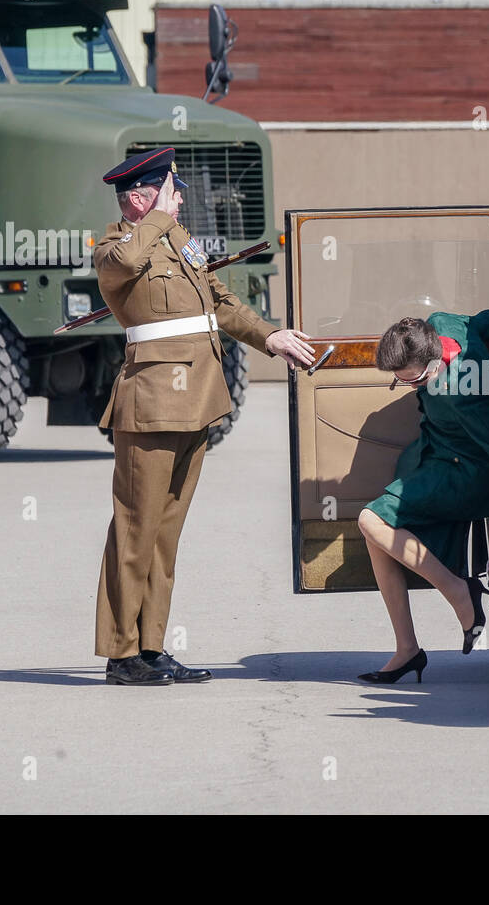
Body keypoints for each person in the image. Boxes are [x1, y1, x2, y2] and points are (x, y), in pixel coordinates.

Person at [92, 146, 315, 685]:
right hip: (149, 407)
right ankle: (120, 654)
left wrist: (270, 336)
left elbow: (220, 300)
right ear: (142, 196)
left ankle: (151, 648)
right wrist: (159, 218)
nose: (182, 197)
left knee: (166, 534)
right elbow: (121, 267)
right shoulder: (115, 243)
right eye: (173, 188)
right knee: (135, 529)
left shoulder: (177, 241)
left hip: (196, 403)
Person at [355, 302, 489, 683]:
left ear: (434, 362)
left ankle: (458, 591)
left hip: (464, 475)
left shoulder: (462, 394)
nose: (409, 388)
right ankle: (407, 649)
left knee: (369, 519)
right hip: (433, 458)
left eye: (413, 381)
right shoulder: (441, 324)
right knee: (377, 536)